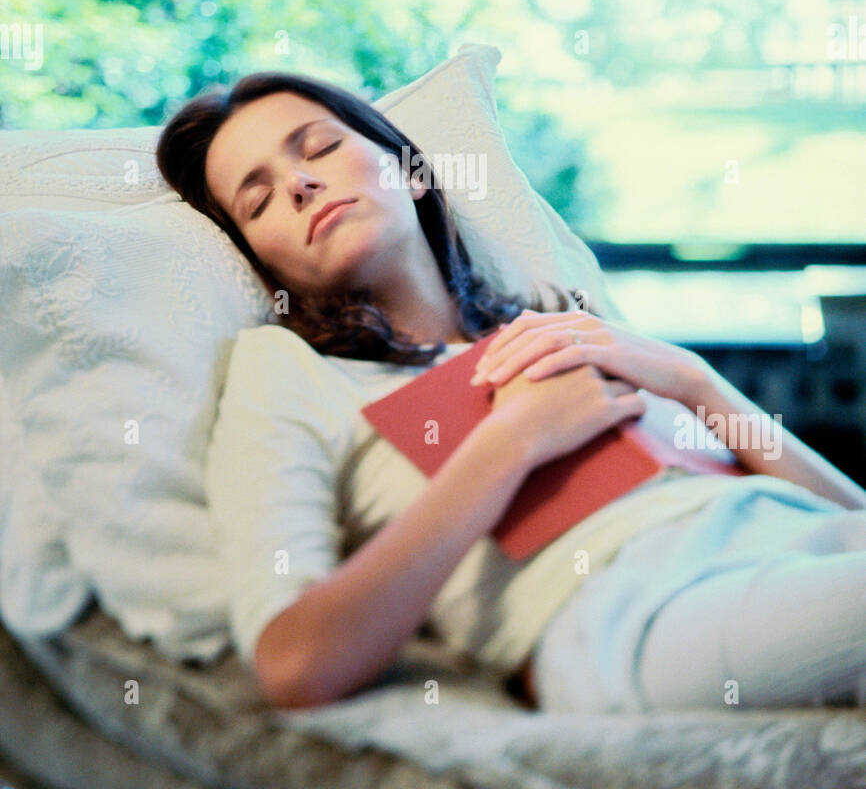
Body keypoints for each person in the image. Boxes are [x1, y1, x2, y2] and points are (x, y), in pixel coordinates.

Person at [156, 70, 866, 715]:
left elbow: (849, 514)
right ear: (265, 261)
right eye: (258, 200)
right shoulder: (287, 370)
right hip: (638, 610)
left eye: (318, 148)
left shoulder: (557, 314)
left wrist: (693, 381)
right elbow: (294, 664)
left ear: (410, 173)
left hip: (785, 536)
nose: (299, 185)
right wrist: (513, 439)